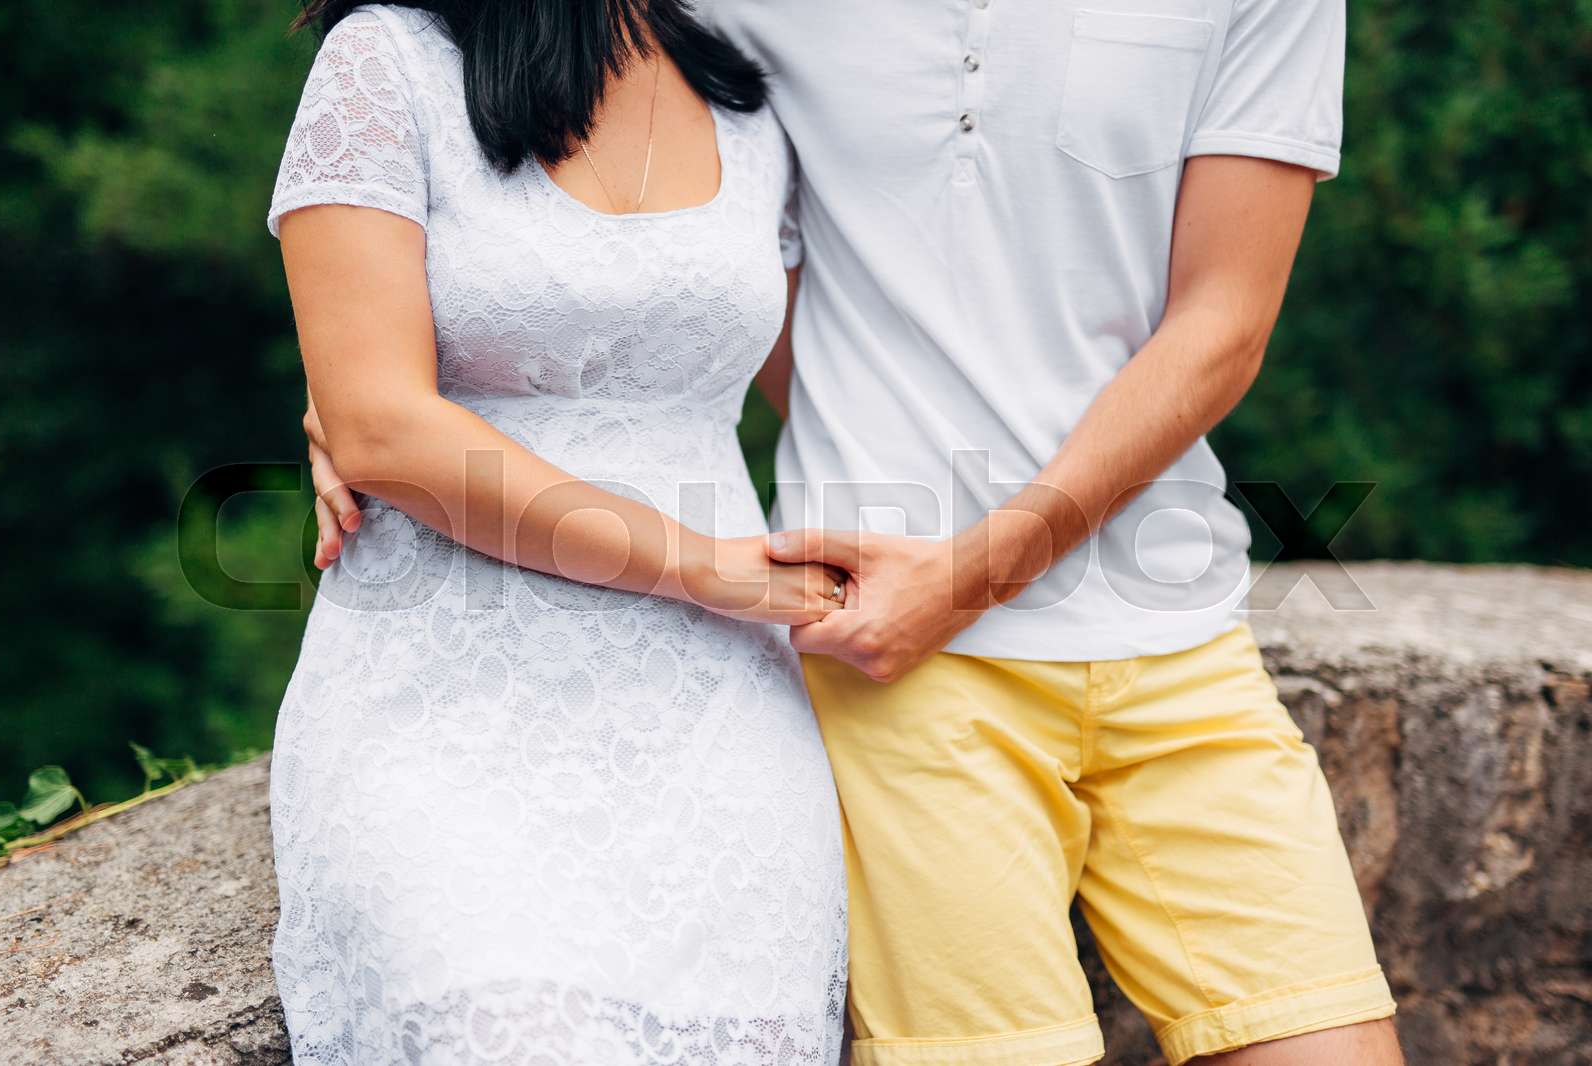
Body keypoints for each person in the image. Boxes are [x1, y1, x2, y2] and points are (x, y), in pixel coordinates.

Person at [311, 0, 1407, 1063]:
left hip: (1172, 626)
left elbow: (1223, 323)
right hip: (895, 658)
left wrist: (972, 570)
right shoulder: (717, 8)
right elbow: (558, 256)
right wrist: (366, 408)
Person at [265, 2, 849, 1063]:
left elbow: (852, 390)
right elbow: (381, 425)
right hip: (444, 703)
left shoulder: (756, 86)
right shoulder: (388, 64)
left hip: (719, 720)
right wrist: (711, 569)